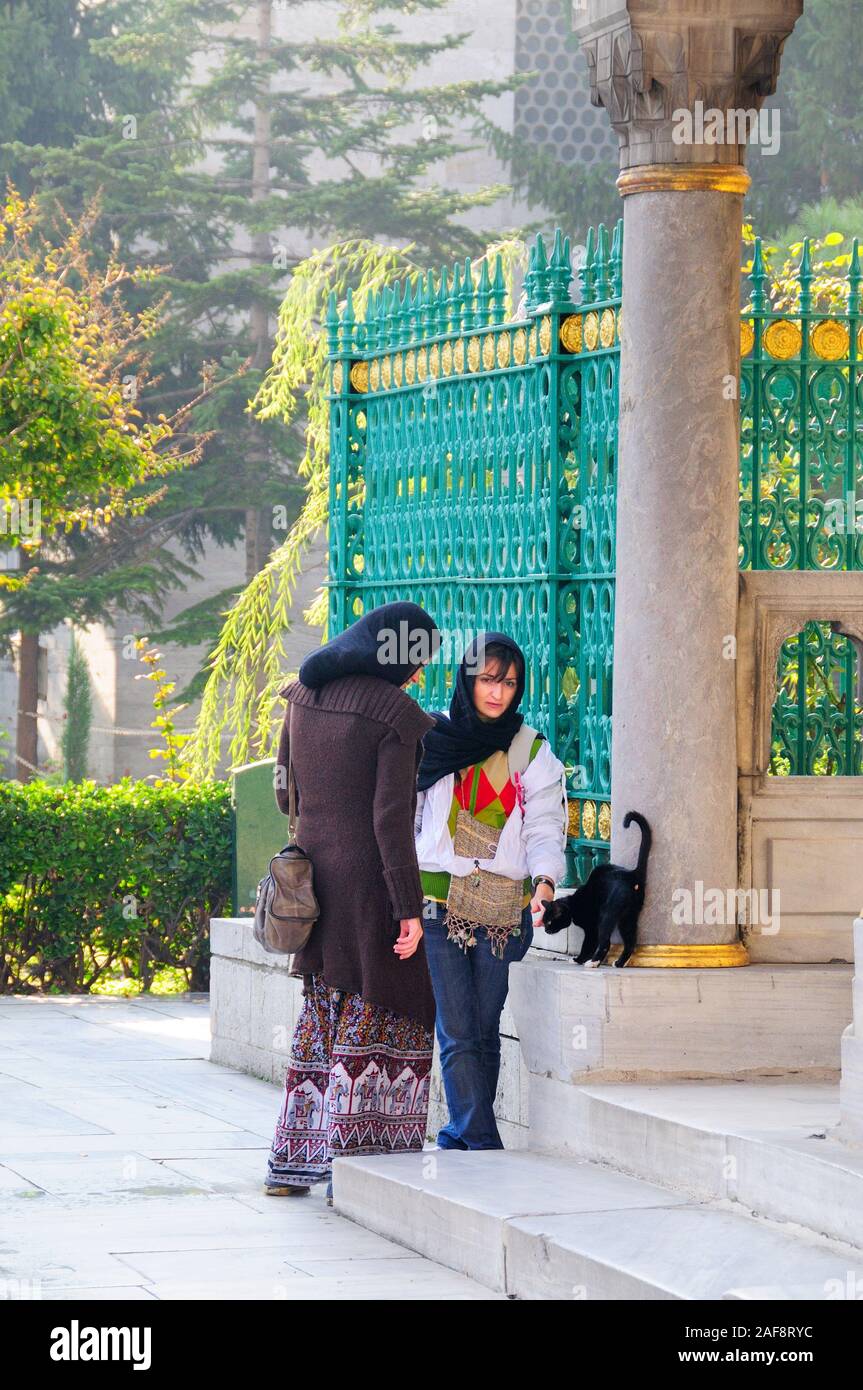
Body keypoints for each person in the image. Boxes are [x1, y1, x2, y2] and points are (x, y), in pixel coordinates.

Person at [264, 600, 441, 1199]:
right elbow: (391, 823)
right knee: (385, 1007)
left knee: (322, 1015)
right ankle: (362, 1171)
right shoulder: (396, 715)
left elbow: (285, 792)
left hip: (316, 885)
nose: (418, 675)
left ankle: (294, 1165)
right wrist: (409, 910)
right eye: (419, 661)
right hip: (370, 887)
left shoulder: (302, 697)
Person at [415, 631, 567, 1150]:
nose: (498, 692)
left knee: (483, 1024)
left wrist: (546, 881)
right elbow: (409, 817)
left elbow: (546, 825)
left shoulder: (530, 749)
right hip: (438, 900)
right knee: (456, 1026)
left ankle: (465, 1130)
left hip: (505, 907)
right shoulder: (433, 739)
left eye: (509, 682)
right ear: (467, 679)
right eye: (487, 679)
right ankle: (479, 1133)